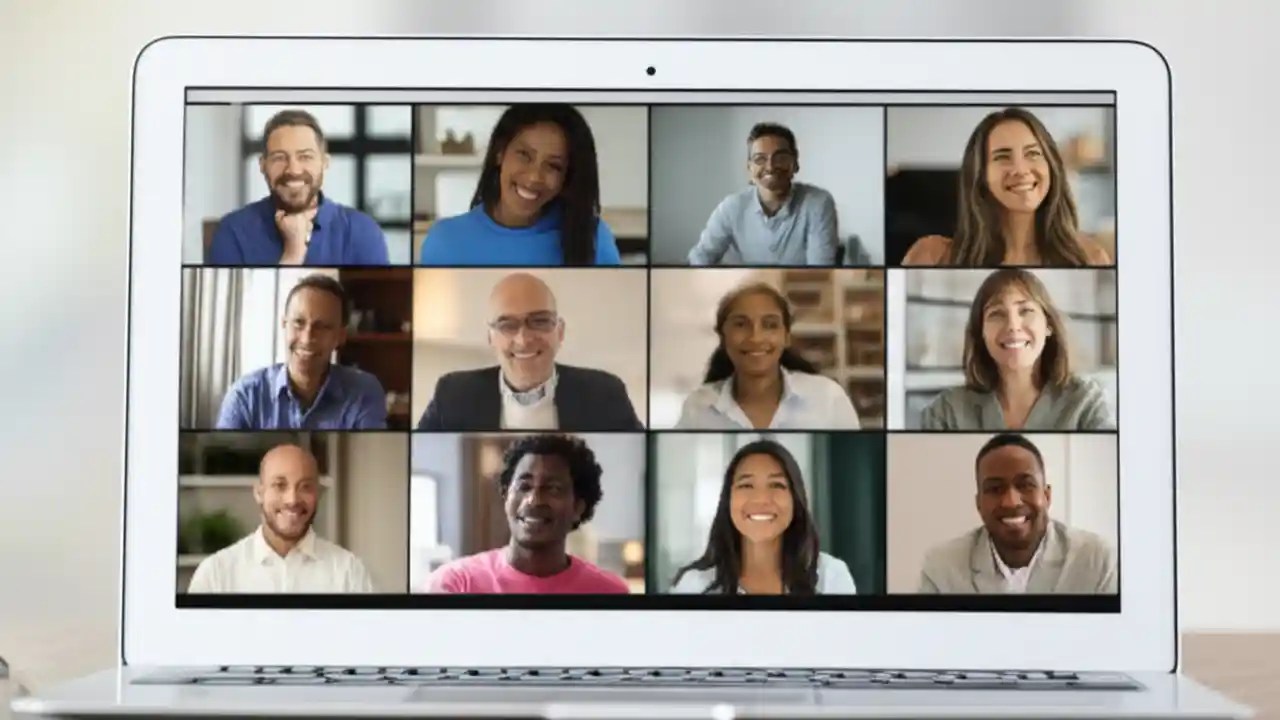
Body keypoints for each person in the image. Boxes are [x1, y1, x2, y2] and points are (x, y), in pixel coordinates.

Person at [416, 272, 642, 431]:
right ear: (490, 337)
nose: (523, 339)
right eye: (507, 325)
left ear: (560, 331)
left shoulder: (605, 394)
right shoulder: (452, 395)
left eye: (540, 321)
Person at [900, 107, 1111, 267]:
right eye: (1002, 157)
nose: (1021, 169)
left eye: (1033, 154)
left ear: (1051, 165)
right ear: (980, 175)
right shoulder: (932, 256)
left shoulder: (1089, 257)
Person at [422, 434, 631, 594]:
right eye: (524, 486)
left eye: (553, 488)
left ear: (578, 507)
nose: (534, 500)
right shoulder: (456, 584)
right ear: (506, 497)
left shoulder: (609, 592)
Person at [417, 104, 621, 266]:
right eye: (524, 155)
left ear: (567, 177)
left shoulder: (593, 237)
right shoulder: (445, 242)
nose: (534, 177)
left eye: (554, 166)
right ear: (499, 153)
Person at [918, 433, 1117, 594]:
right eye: (995, 489)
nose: (1011, 502)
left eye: (1025, 485)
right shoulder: (942, 567)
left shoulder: (1097, 561)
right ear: (979, 503)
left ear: (1047, 496)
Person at [918, 268, 1114, 431]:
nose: (1013, 325)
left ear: (1048, 325)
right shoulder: (946, 413)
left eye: (1026, 311)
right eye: (997, 314)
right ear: (980, 332)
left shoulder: (1086, 403)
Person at [670, 439, 856, 595]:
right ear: (728, 499)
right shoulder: (694, 585)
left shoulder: (831, 577)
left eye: (776, 485)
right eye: (746, 485)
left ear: (795, 498)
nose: (761, 499)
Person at [208, 109, 390, 266]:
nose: (293, 170)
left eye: (305, 156)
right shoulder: (233, 231)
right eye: (279, 157)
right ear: (263, 165)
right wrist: (293, 253)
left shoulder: (363, 231)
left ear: (325, 163)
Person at [187, 443, 376, 593]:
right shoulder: (215, 575)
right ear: (259, 493)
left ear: (318, 493)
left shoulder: (349, 573)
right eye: (279, 485)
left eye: (305, 486)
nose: (292, 500)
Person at [674, 281, 860, 430]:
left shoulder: (828, 397)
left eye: (770, 325)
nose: (756, 337)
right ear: (723, 337)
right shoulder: (698, 408)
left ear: (786, 336)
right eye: (741, 324)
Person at [216, 274, 387, 429]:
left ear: (340, 336)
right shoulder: (245, 396)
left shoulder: (364, 392)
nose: (307, 338)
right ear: (284, 325)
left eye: (322, 327)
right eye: (298, 322)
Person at [687, 123, 840, 266]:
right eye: (760, 159)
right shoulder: (732, 207)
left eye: (780, 157)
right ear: (750, 168)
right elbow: (701, 256)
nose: (770, 167)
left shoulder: (817, 203)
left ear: (795, 162)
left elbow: (820, 269)